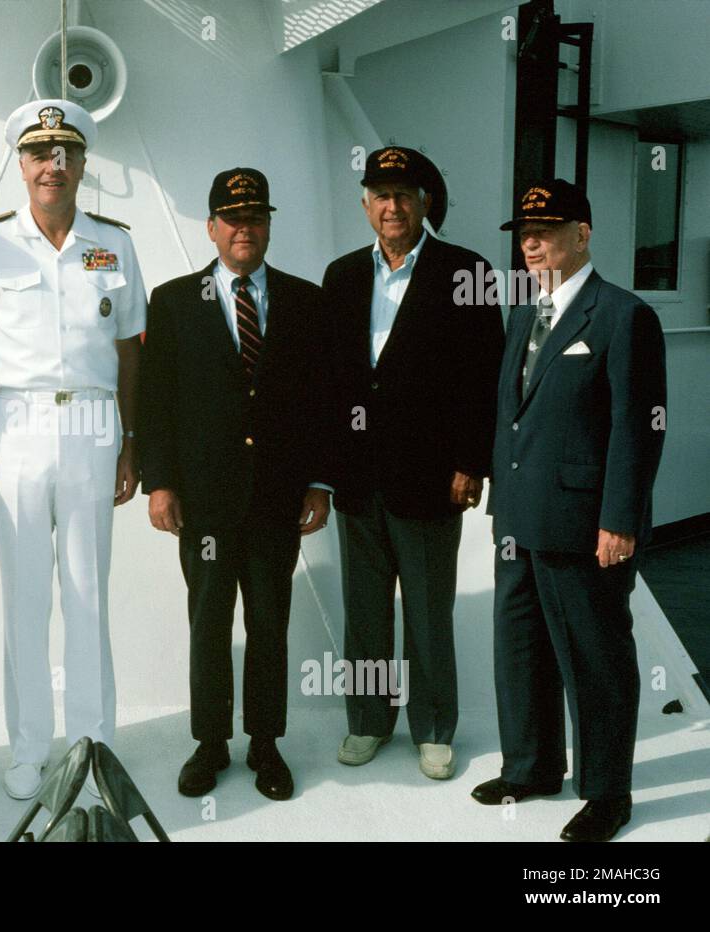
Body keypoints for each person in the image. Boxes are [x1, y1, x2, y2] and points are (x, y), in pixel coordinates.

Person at [0, 99, 146, 800]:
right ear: (21, 165)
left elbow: (129, 347)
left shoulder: (113, 243)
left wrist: (130, 441)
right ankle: (29, 746)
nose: (51, 166)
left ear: (83, 164)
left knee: (87, 594)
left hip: (94, 424)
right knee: (25, 597)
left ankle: (90, 748)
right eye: (38, 153)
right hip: (17, 426)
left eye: (64, 153)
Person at [475, 179, 666, 842]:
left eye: (547, 230)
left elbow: (637, 427)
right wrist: (500, 498)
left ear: (583, 234)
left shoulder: (622, 315)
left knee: (596, 658)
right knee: (520, 649)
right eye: (525, 234)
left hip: (587, 525)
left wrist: (619, 519)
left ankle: (608, 792)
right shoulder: (526, 312)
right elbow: (513, 413)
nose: (532, 243)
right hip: (521, 518)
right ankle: (532, 767)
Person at [140, 168, 338, 801]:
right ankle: (209, 742)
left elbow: (320, 400)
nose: (244, 227)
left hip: (278, 495)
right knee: (207, 620)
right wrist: (161, 483)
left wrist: (318, 482)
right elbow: (156, 401)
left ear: (269, 224)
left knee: (270, 621)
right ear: (212, 228)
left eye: (255, 217)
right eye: (232, 217)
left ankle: (266, 743)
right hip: (203, 499)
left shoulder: (306, 301)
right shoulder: (173, 302)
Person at [320, 146, 504, 779]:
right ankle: (368, 722)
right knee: (365, 610)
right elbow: (331, 381)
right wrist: (327, 467)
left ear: (424, 202)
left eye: (403, 195)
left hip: (431, 476)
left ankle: (432, 727)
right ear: (365, 203)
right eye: (379, 194)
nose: (391, 206)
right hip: (359, 477)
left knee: (428, 609)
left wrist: (471, 463)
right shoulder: (341, 276)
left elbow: (486, 379)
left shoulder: (465, 271)